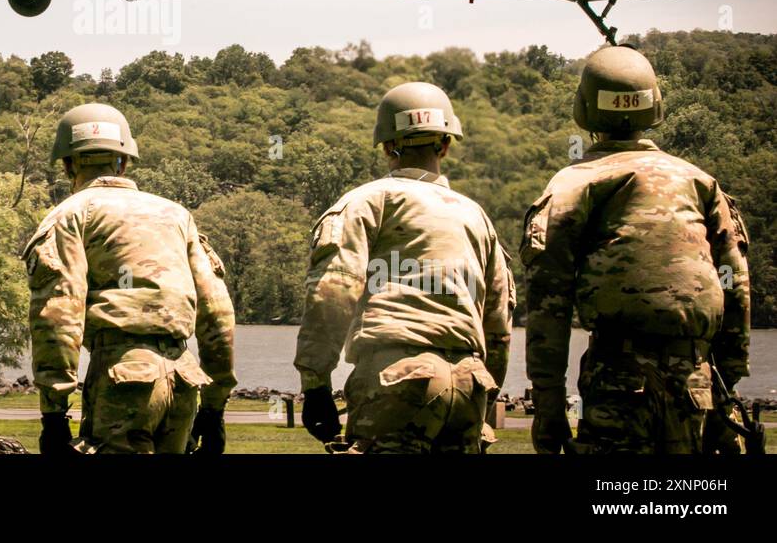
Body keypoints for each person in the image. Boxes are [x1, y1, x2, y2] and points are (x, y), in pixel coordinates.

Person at [521, 45, 750, 454]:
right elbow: (736, 288)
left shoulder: (575, 183)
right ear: (654, 106)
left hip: (618, 378)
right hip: (696, 382)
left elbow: (547, 302)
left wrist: (549, 403)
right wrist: (726, 391)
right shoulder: (701, 182)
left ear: (586, 110)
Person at [295, 82, 513, 453]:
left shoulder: (368, 201)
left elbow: (333, 291)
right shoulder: (475, 216)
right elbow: (499, 323)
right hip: (468, 382)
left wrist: (315, 383)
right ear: (445, 145)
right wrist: (486, 389)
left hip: (397, 376)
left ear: (385, 145)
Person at [25, 103, 235, 453]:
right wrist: (215, 407)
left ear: (67, 163)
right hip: (184, 378)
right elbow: (217, 314)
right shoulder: (176, 215)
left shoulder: (70, 214)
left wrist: (54, 414)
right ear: (123, 161)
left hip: (122, 378)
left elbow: (58, 315)